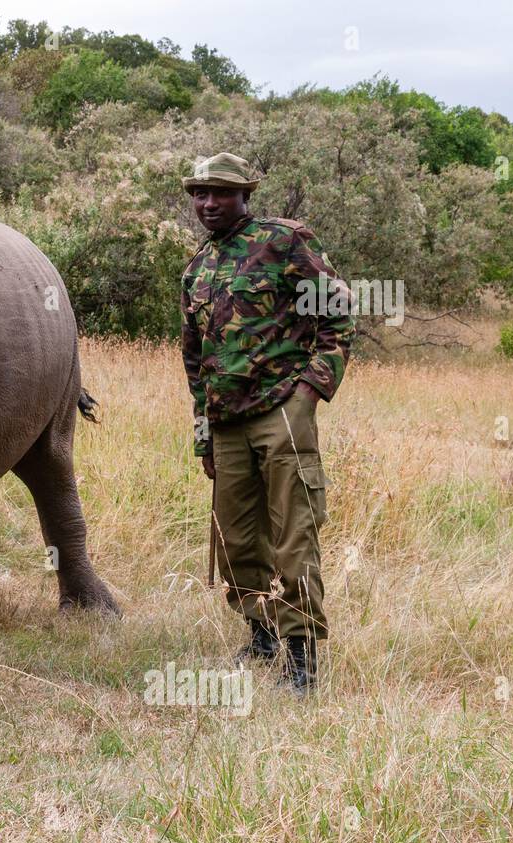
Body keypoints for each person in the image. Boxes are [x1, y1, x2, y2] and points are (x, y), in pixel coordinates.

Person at [179, 152, 355, 694]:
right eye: (201, 194)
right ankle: (261, 636)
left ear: (244, 196)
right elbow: (195, 360)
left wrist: (309, 392)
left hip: (282, 410)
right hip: (226, 422)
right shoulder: (195, 270)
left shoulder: (284, 241)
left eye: (222, 193)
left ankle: (301, 660)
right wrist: (204, 433)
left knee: (293, 534)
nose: (209, 203)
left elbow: (339, 314)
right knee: (236, 538)